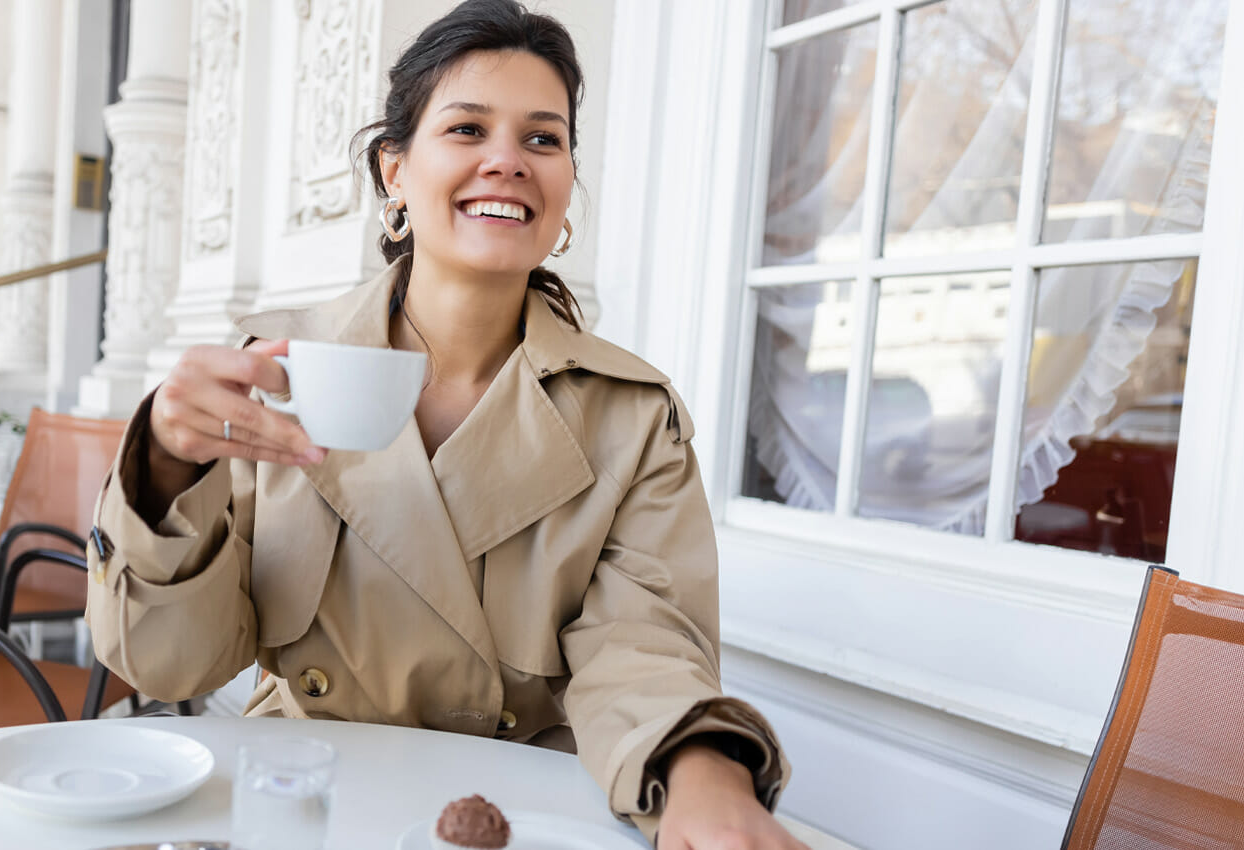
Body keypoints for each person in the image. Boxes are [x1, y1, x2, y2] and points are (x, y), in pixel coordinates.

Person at [86, 1, 804, 847]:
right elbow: (172, 665)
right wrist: (167, 472)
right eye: (466, 129)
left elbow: (642, 644)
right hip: (308, 799)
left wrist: (703, 772)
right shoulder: (277, 370)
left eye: (543, 139)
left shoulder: (631, 413)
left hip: (523, 816)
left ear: (568, 181)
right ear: (395, 169)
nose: (507, 160)